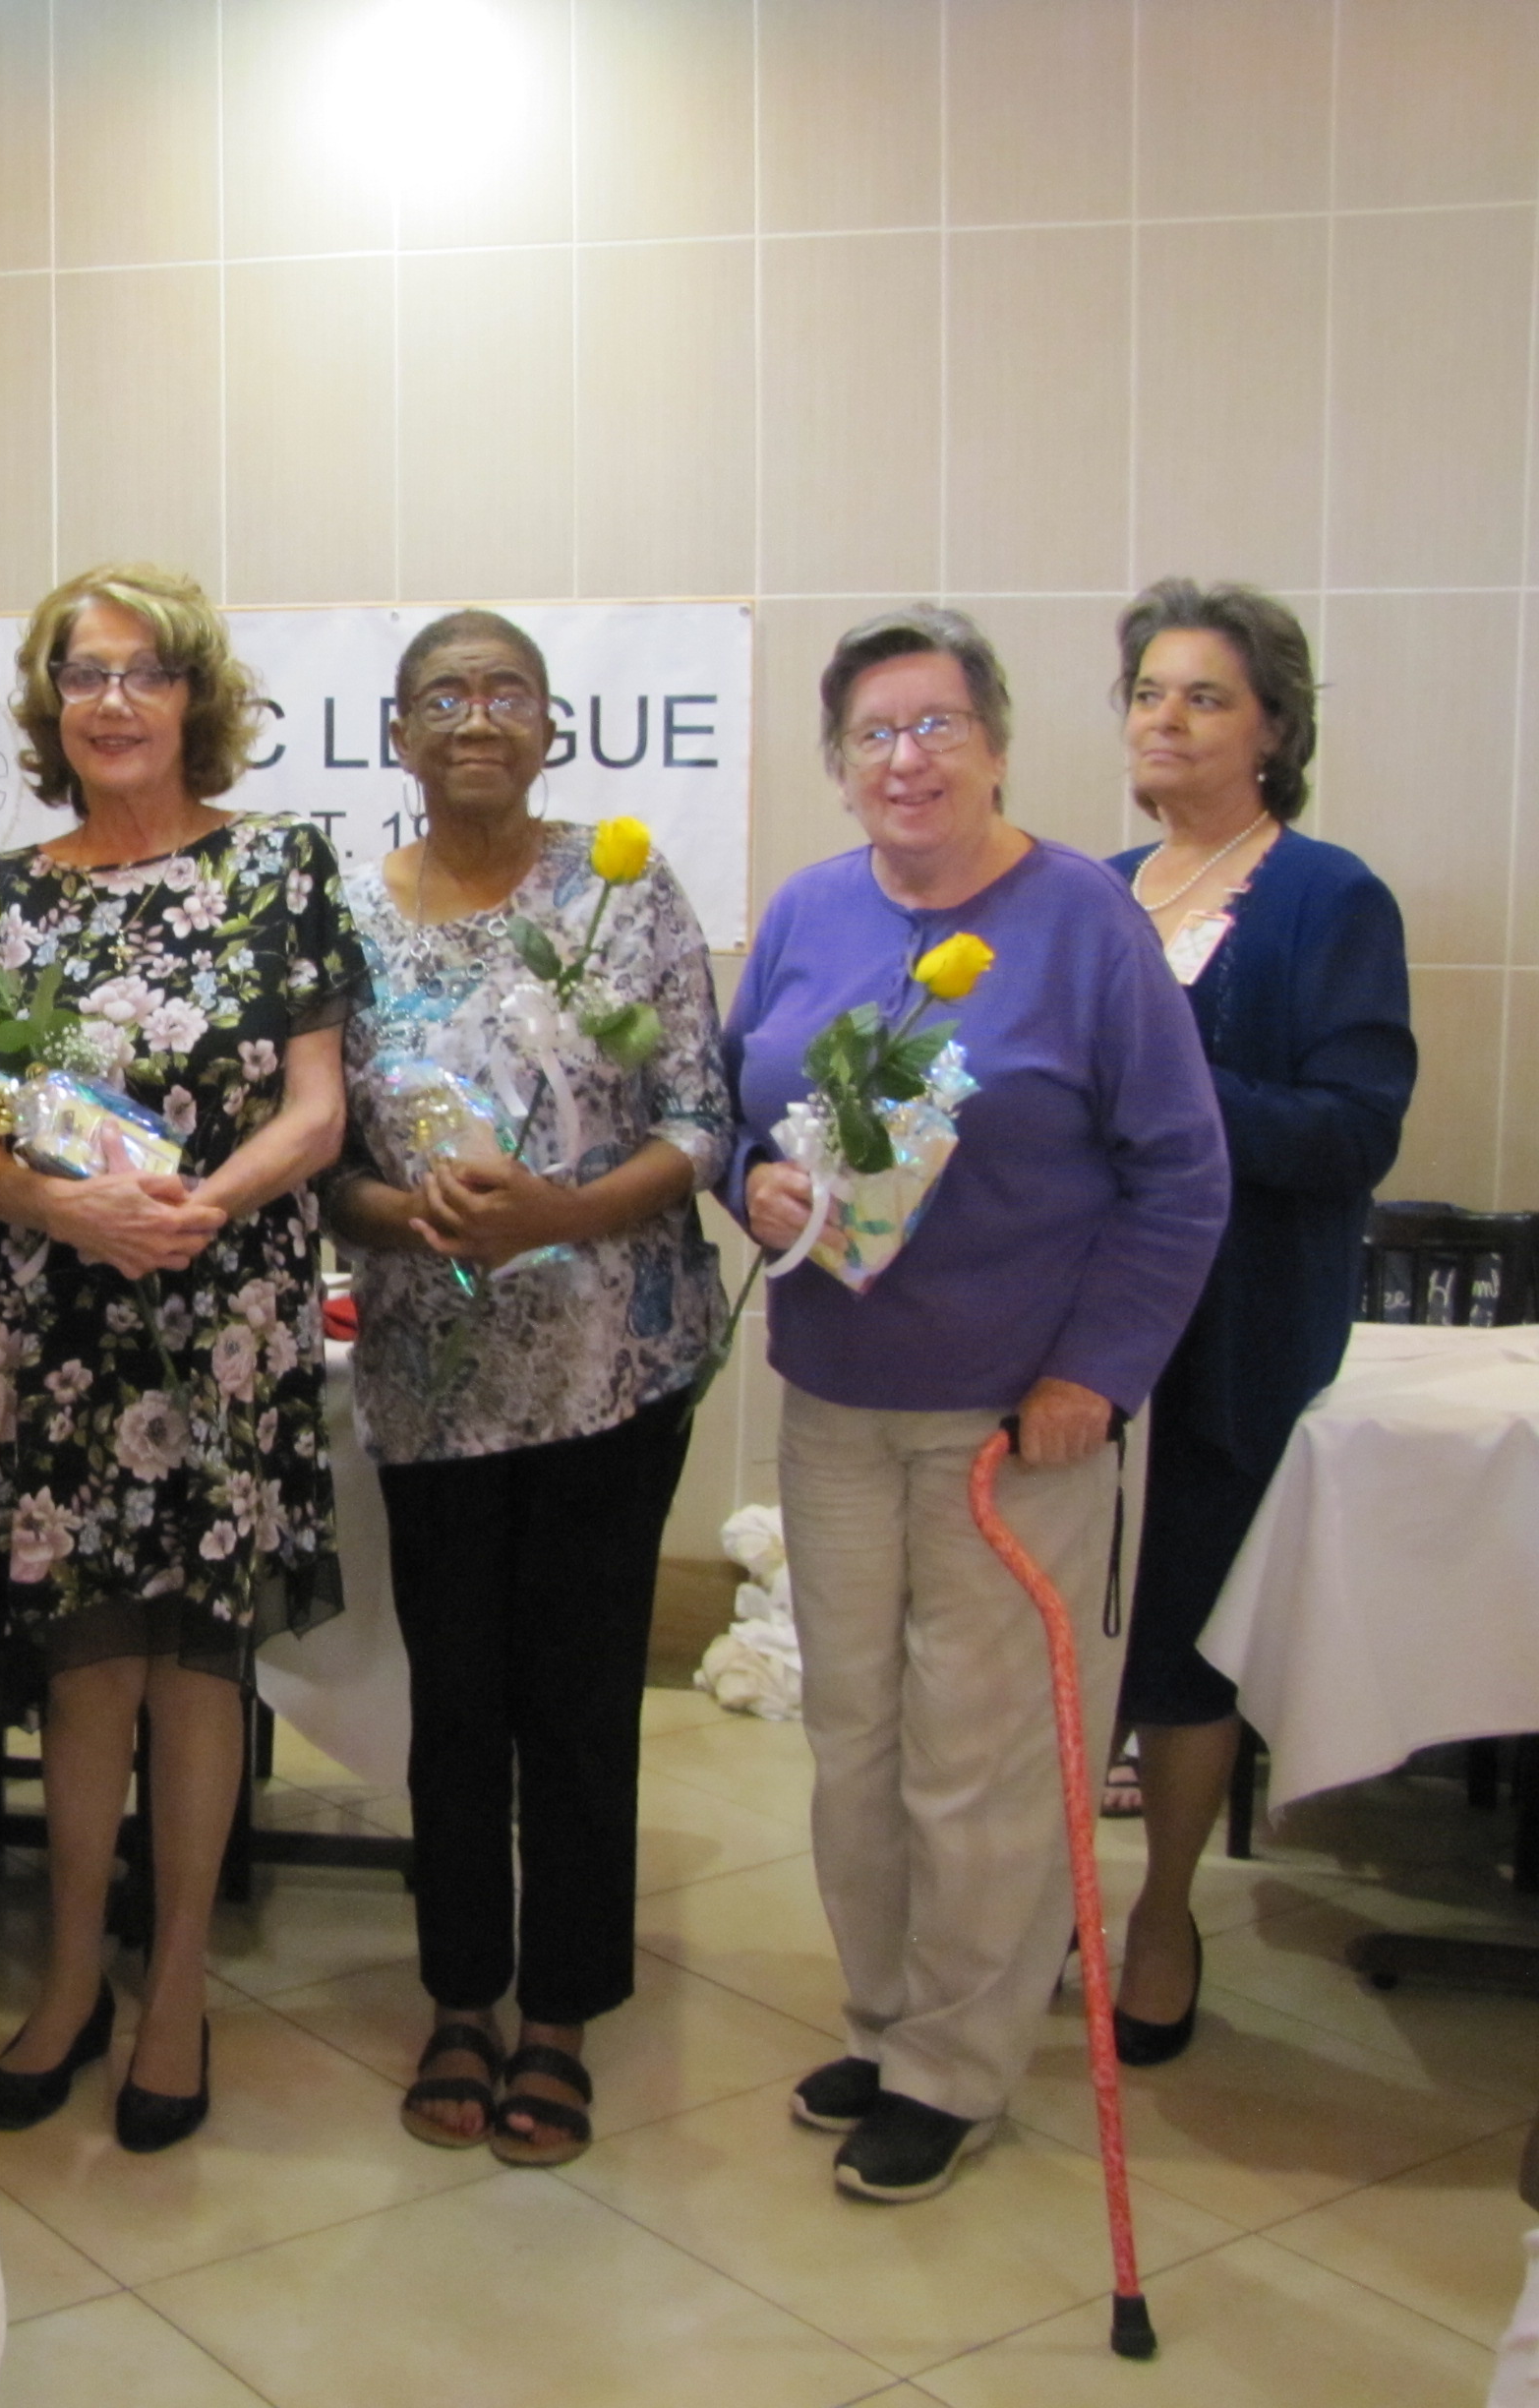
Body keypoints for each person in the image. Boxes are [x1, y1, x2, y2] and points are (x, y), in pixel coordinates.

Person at [723, 605, 1228, 2202]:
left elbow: (1177, 1169)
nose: (904, 757)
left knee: (980, 1753)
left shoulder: (1078, 918)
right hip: (833, 1398)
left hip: (1016, 1419)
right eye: (872, 731)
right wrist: (751, 1179)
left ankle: (954, 2061)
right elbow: (735, 1099)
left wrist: (1096, 1367)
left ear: (995, 742)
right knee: (851, 1731)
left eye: (935, 723)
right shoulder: (808, 908)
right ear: (836, 762)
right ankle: (883, 2020)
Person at [0, 565, 365, 2153]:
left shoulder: (280, 870)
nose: (110, 698)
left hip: (226, 1317)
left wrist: (192, 1205)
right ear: (46, 707)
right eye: (80, 673)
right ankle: (66, 1978)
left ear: (195, 696)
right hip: (60, 1328)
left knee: (194, 1666)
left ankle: (174, 1982)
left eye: (142, 671)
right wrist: (76, 1211)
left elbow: (316, 1109)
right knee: (80, 1664)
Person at [326, 608, 731, 2166]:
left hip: (614, 1366)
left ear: (553, 727)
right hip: (434, 1371)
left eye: (505, 691)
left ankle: (558, 2012)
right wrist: (397, 1212)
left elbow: (701, 1117)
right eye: (443, 695)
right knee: (456, 1701)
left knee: (576, 1695)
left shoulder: (623, 891)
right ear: (401, 737)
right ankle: (458, 1994)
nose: (475, 717)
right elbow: (331, 1163)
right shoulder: (358, 914)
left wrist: (566, 1213)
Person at [1104, 579, 1414, 2065]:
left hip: (1234, 1334)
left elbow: (1355, 1133)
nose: (1166, 719)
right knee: (1075, 1636)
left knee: (1183, 1644)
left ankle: (1165, 1911)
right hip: (1080, 1334)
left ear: (1274, 729)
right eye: (1150, 693)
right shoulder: (1092, 890)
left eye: (1204, 697)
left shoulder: (1324, 898)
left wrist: (1172, 1097)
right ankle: (1041, 1907)